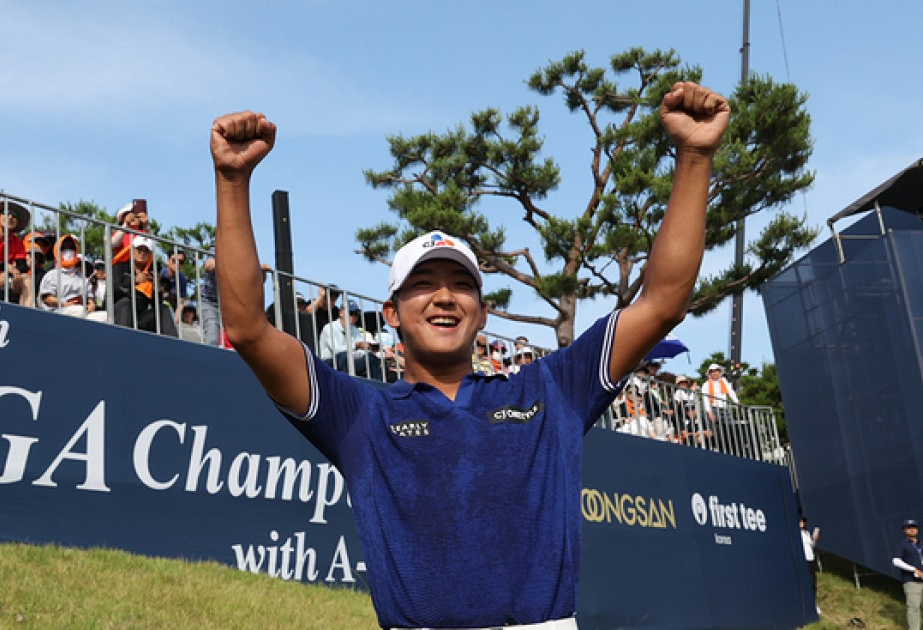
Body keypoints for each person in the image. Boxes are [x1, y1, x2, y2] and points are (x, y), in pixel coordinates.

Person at [209, 81, 728, 628]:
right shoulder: (359, 416)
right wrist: (232, 181)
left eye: (460, 285)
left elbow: (663, 302)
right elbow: (247, 329)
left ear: (481, 314)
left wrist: (694, 156)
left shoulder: (553, 390)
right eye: (423, 283)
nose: (443, 296)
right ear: (391, 313)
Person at [112, 235, 176, 336]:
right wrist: (134, 280)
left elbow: (156, 303)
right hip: (118, 312)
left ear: (150, 254)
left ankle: (174, 347)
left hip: (139, 317)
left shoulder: (150, 273)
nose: (142, 253)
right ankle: (123, 341)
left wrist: (156, 286)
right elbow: (113, 291)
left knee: (163, 309)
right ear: (132, 250)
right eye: (139, 250)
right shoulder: (119, 267)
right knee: (125, 302)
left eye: (146, 251)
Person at [39, 235, 107, 322]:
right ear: (58, 251)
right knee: (78, 311)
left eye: (71, 248)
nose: (68, 251)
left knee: (106, 316)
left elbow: (90, 299)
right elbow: (47, 299)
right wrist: (65, 304)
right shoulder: (51, 275)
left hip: (82, 312)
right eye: (64, 248)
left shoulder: (82, 278)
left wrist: (91, 305)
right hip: (57, 312)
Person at [317, 299, 384, 381]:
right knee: (344, 356)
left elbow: (359, 352)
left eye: (356, 314)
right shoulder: (329, 327)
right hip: (329, 363)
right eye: (351, 313)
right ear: (341, 313)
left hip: (348, 361)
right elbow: (336, 350)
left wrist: (369, 349)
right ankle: (348, 385)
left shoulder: (355, 330)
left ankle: (376, 387)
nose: (354, 316)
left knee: (372, 358)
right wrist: (356, 345)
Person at [896, 519, 923, 630]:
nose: (912, 530)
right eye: (909, 527)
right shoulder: (902, 545)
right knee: (914, 607)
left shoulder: (921, 544)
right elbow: (896, 561)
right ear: (904, 530)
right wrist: (913, 570)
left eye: (914, 527)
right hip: (911, 581)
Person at [799, 516, 820, 610]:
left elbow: (812, 546)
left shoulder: (806, 533)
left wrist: (815, 539)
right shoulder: (798, 534)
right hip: (804, 559)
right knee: (808, 581)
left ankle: (814, 603)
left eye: (803, 522)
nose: (803, 523)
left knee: (814, 583)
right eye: (801, 522)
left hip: (811, 558)